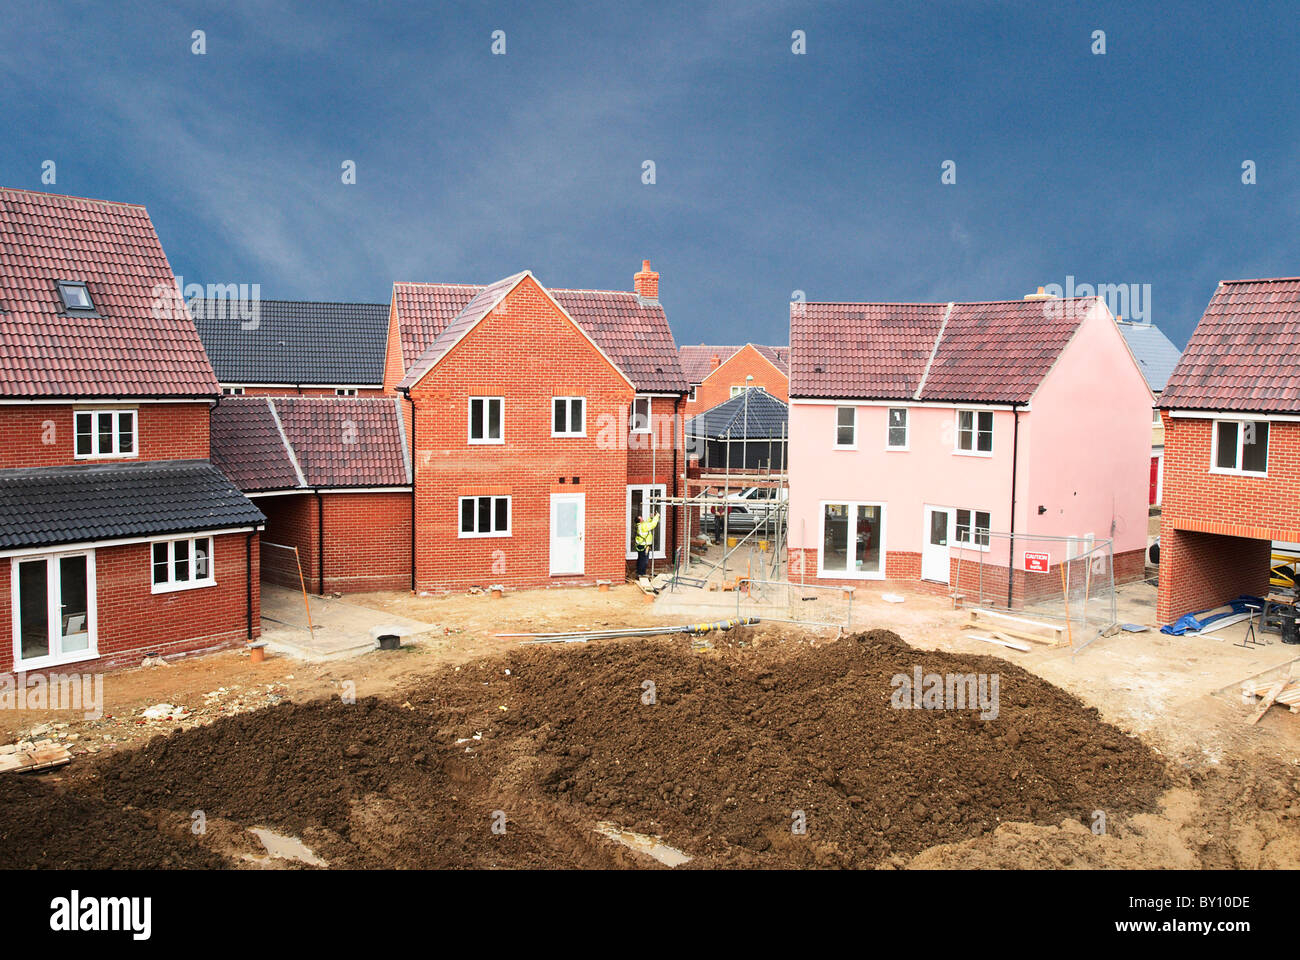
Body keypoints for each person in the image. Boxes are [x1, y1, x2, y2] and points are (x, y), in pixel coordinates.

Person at [634, 511, 661, 577]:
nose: (643, 519)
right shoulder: (643, 526)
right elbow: (652, 525)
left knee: (640, 558)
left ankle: (638, 571)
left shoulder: (639, 525)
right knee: (644, 560)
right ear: (640, 521)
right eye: (641, 519)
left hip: (640, 545)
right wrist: (657, 516)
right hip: (644, 546)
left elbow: (647, 523)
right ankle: (641, 574)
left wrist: (651, 518)